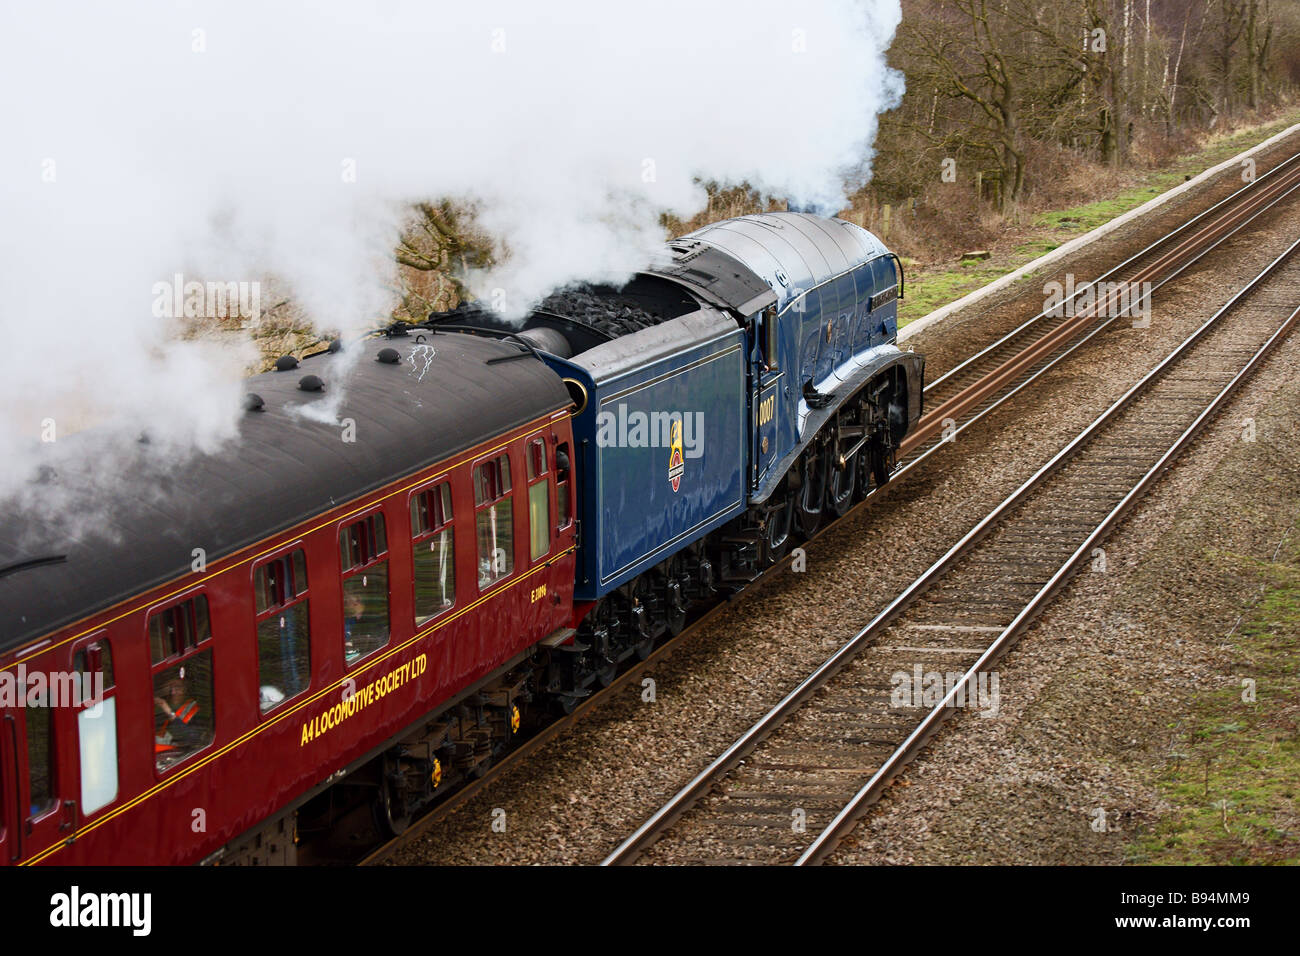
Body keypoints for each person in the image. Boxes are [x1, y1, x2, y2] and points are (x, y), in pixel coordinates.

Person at [154, 670, 204, 762]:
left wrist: (169, 713)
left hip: (174, 758)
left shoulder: (194, 709)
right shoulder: (160, 704)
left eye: (177, 687)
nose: (173, 692)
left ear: (186, 689)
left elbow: (194, 739)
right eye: (170, 687)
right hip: (155, 753)